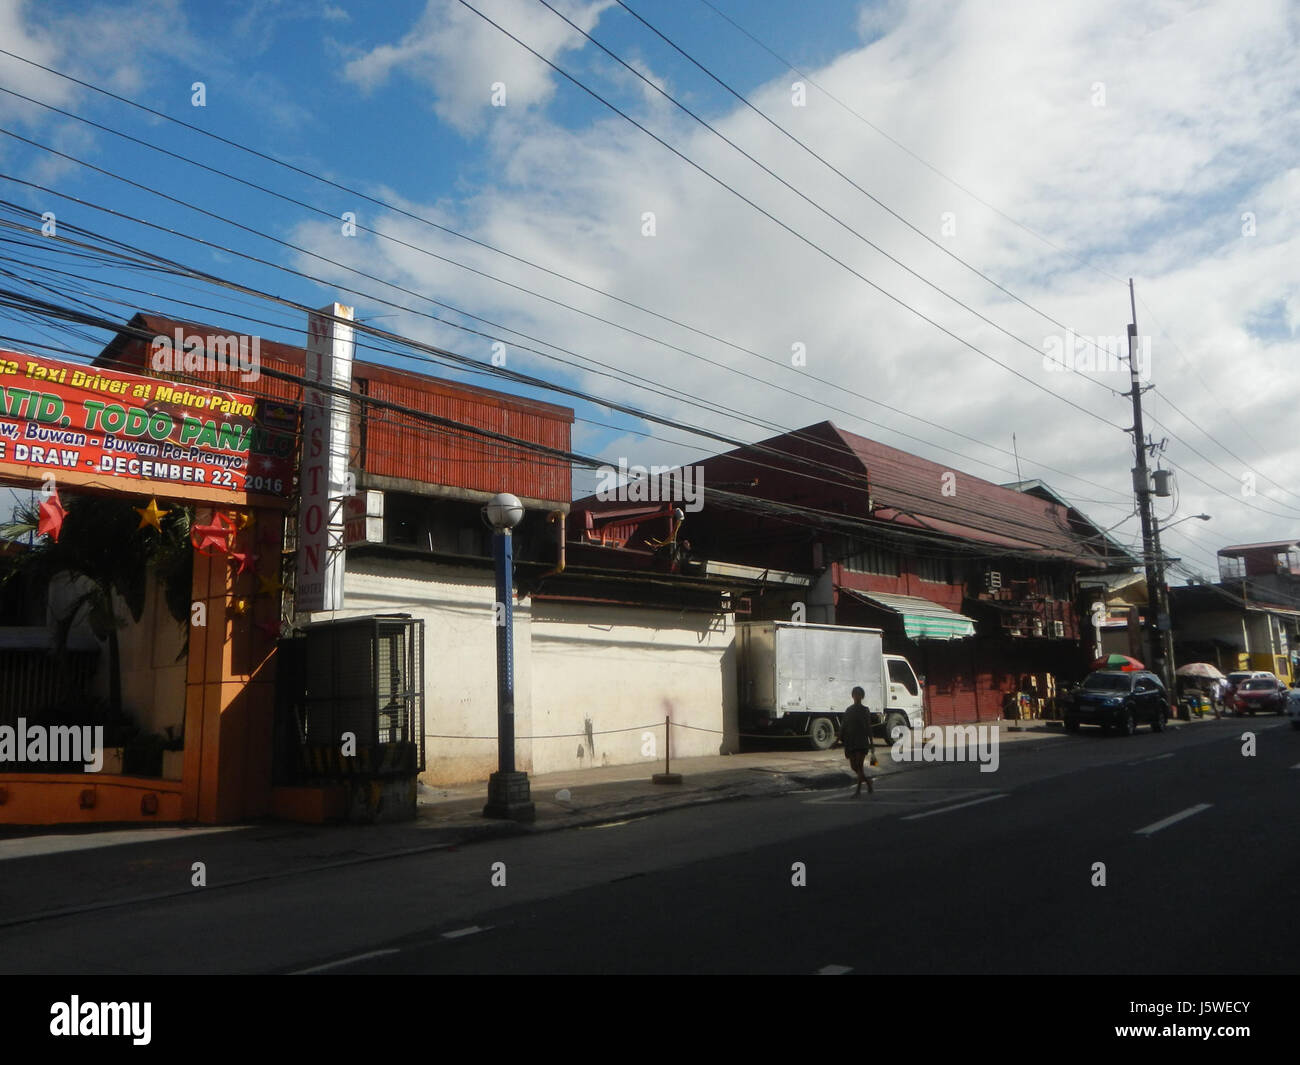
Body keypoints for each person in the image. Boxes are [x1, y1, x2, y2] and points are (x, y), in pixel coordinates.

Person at [841, 686, 875, 797]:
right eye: (855, 694)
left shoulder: (865, 710)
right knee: (854, 767)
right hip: (850, 741)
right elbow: (843, 726)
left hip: (861, 741)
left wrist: (872, 743)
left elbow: (868, 727)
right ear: (852, 696)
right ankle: (868, 783)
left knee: (859, 766)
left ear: (862, 696)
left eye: (859, 694)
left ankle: (858, 791)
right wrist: (837, 740)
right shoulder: (849, 710)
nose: (857, 696)